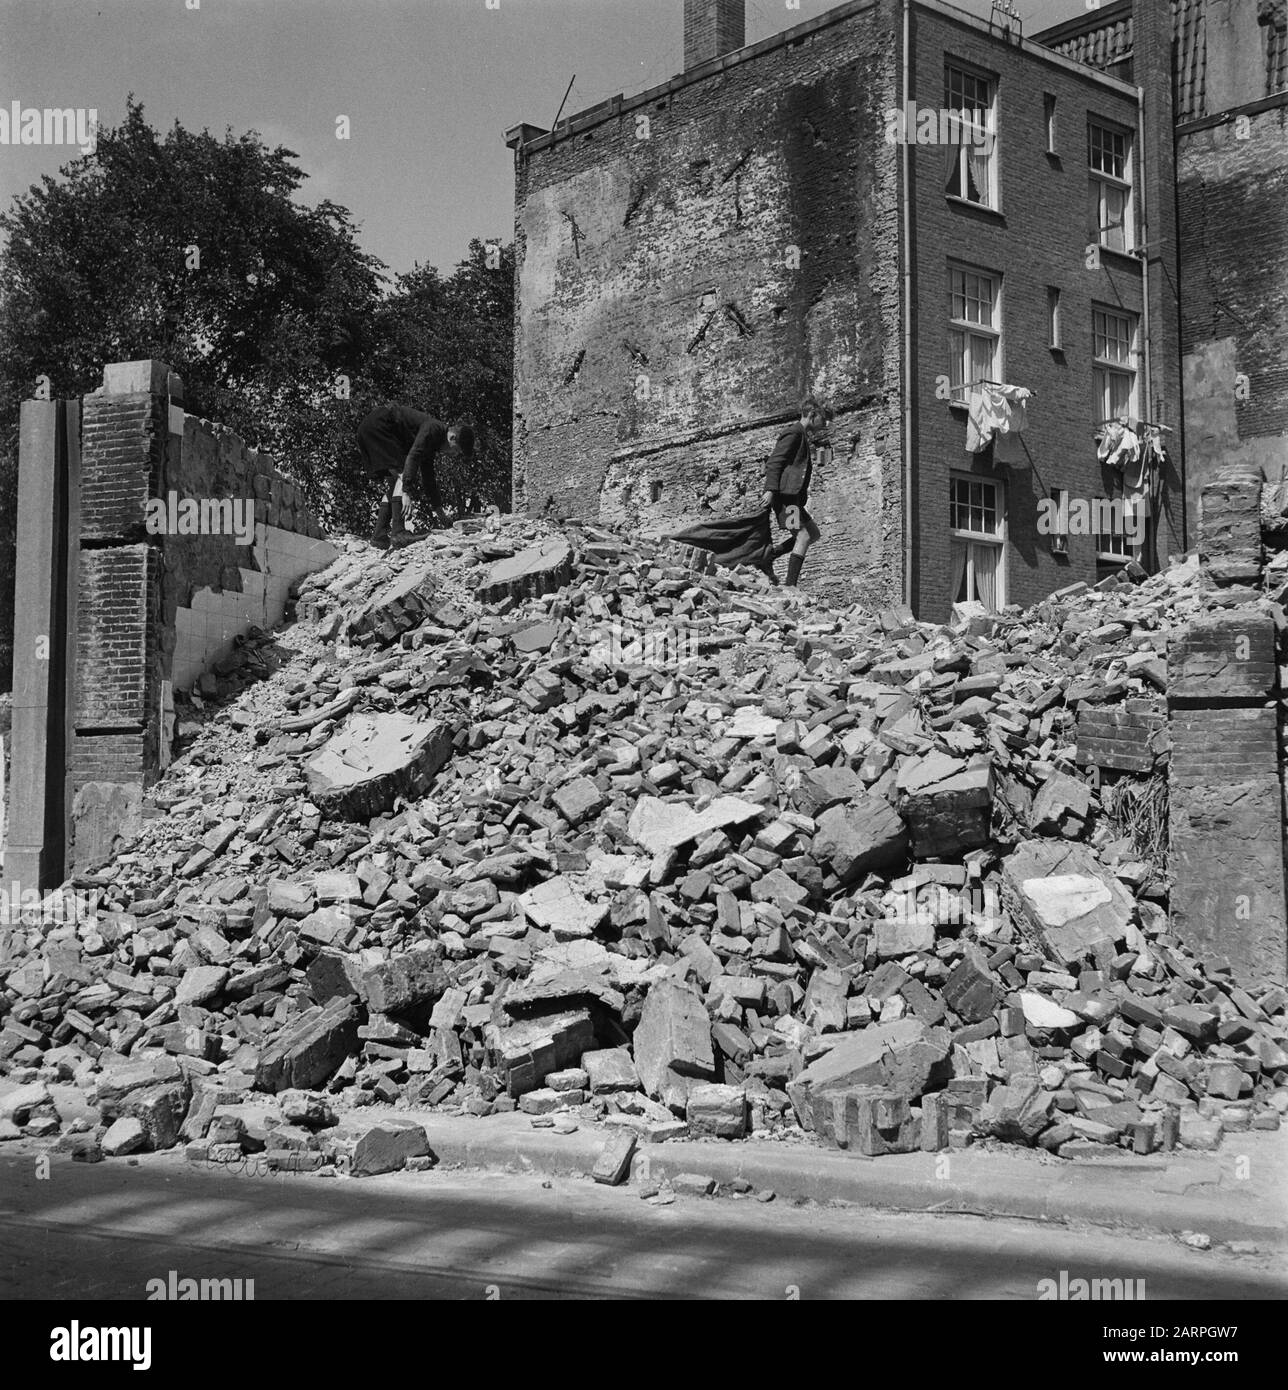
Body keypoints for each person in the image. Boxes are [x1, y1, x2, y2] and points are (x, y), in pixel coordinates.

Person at [357, 405, 476, 549]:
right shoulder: (433, 429)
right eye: (456, 450)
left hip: (369, 429)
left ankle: (378, 536)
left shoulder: (433, 442)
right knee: (402, 473)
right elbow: (414, 455)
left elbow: (429, 479)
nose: (454, 455)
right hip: (379, 427)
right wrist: (406, 491)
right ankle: (399, 532)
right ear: (452, 437)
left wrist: (440, 514)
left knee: (395, 482)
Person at [761, 396, 828, 587]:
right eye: (823, 419)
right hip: (785, 498)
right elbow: (775, 462)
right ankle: (791, 587)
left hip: (793, 499)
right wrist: (770, 490)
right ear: (812, 414)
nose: (825, 424)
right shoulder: (794, 433)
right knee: (803, 536)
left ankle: (771, 555)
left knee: (813, 533)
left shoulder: (802, 435)